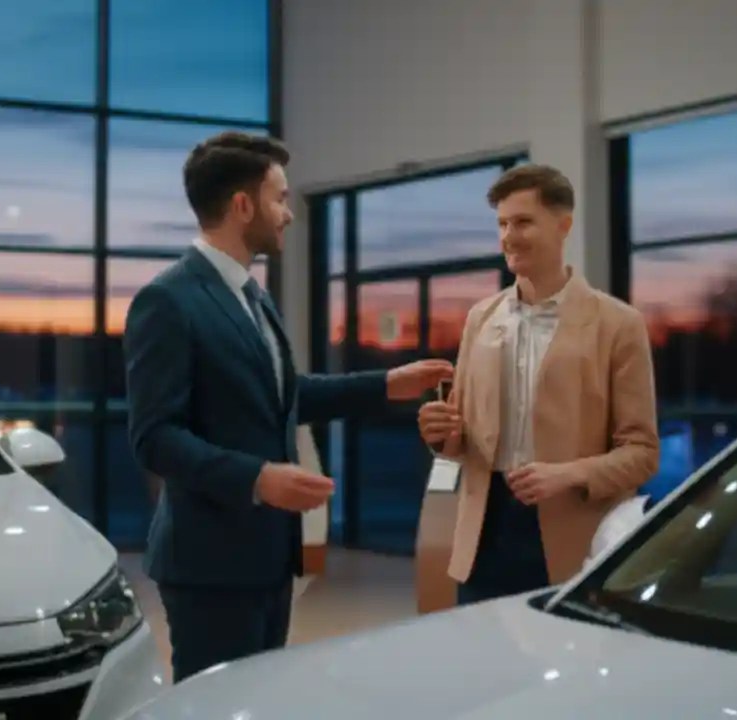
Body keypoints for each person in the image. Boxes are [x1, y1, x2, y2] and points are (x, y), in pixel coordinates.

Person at [124, 131, 451, 682]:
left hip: (267, 558)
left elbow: (283, 394)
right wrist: (257, 478)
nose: (289, 215)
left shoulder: (252, 296)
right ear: (242, 205)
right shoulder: (168, 302)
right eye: (280, 198)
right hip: (209, 566)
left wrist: (386, 383)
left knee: (260, 699)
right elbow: (155, 437)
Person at [417, 164, 659, 605]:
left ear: (563, 225)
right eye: (502, 224)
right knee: (486, 669)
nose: (509, 236)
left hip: (575, 541)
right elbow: (462, 439)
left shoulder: (619, 325)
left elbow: (642, 454)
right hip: (482, 540)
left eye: (523, 222)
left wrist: (568, 474)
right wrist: (441, 436)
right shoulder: (479, 319)